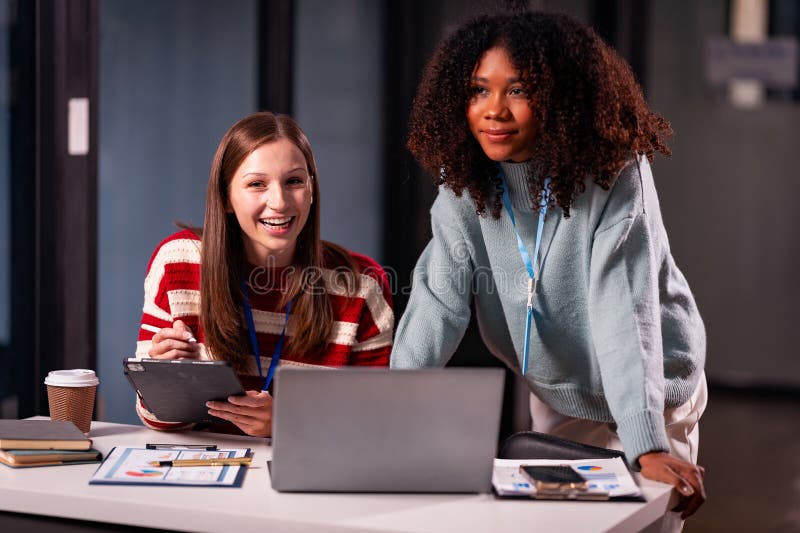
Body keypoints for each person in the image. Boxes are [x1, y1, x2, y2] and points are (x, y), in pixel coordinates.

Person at [390, 11, 707, 525]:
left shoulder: (613, 174)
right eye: (478, 90)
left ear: (559, 98)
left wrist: (646, 444)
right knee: (557, 524)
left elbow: (623, 310)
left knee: (646, 520)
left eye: (517, 90)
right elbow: (436, 303)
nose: (494, 110)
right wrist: (391, 404)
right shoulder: (466, 184)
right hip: (560, 391)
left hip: (652, 386)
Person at [136, 111, 394, 437]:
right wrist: (163, 380)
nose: (279, 202)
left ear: (312, 190)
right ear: (226, 197)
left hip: (306, 462)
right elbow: (158, 421)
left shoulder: (361, 284)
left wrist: (288, 422)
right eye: (257, 184)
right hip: (207, 464)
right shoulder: (178, 262)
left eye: (294, 181)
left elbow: (374, 424)